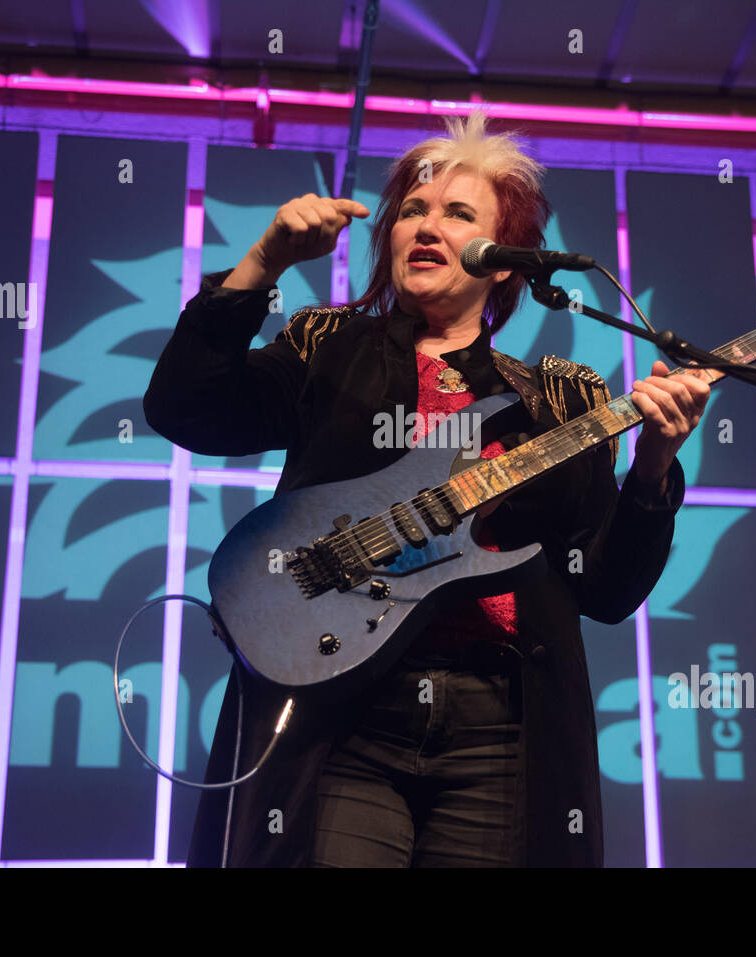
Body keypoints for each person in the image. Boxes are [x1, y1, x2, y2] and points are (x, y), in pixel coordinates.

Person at [144, 111, 710, 867]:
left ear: (505, 261)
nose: (426, 224)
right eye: (412, 209)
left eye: (457, 213)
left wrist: (654, 467)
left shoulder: (562, 399)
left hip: (500, 724)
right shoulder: (326, 345)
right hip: (343, 708)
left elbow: (604, 590)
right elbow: (187, 406)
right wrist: (262, 263)